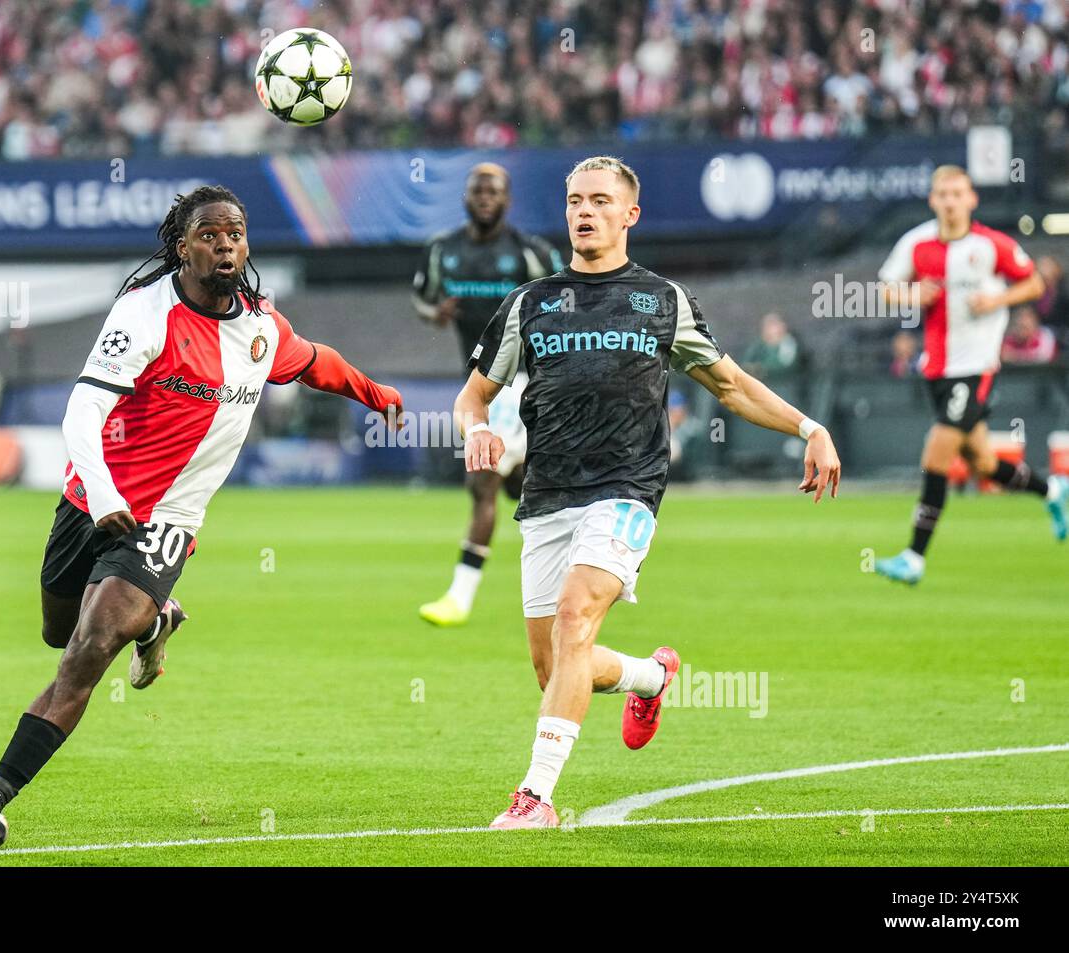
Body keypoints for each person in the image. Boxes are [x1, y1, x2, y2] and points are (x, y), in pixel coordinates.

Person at [0, 185, 402, 851]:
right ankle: (157, 619)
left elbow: (312, 361)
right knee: (57, 632)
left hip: (167, 520)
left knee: (88, 650)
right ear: (182, 246)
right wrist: (102, 496)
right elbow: (83, 412)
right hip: (91, 503)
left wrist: (376, 392)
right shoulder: (144, 315)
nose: (225, 245)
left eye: (236, 234)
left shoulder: (260, 329)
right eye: (210, 235)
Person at [456, 156, 841, 828]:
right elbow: (473, 396)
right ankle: (651, 677)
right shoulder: (530, 303)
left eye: (600, 201)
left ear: (629, 214)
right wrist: (476, 431)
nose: (584, 212)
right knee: (555, 669)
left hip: (627, 491)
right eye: (576, 200)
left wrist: (810, 427)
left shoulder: (663, 301)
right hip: (547, 497)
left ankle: (535, 798)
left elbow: (731, 385)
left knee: (577, 617)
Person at [874, 166, 1066, 586]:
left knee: (935, 456)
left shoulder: (991, 244)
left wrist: (998, 298)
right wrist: (910, 294)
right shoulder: (917, 242)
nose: (949, 200)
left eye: (957, 193)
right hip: (938, 369)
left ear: (971, 199)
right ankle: (1053, 491)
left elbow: (1034, 284)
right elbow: (885, 288)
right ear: (932, 199)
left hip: (976, 367)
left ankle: (914, 556)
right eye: (942, 193)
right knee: (982, 462)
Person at [414, 162, 564, 627]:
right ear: (465, 198)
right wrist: (435, 312)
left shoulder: (529, 252)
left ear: (507, 200)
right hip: (477, 385)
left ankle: (459, 596)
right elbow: (420, 298)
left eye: (493, 191)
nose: (484, 198)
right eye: (477, 190)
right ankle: (552, 518)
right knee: (513, 483)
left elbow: (568, 295)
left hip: (522, 381)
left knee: (480, 481)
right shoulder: (443, 250)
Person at [740, 312, 803, 378]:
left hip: (783, 383)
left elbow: (786, 365)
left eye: (774, 326)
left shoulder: (788, 343)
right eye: (767, 326)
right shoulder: (759, 345)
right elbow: (746, 363)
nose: (771, 331)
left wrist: (762, 369)